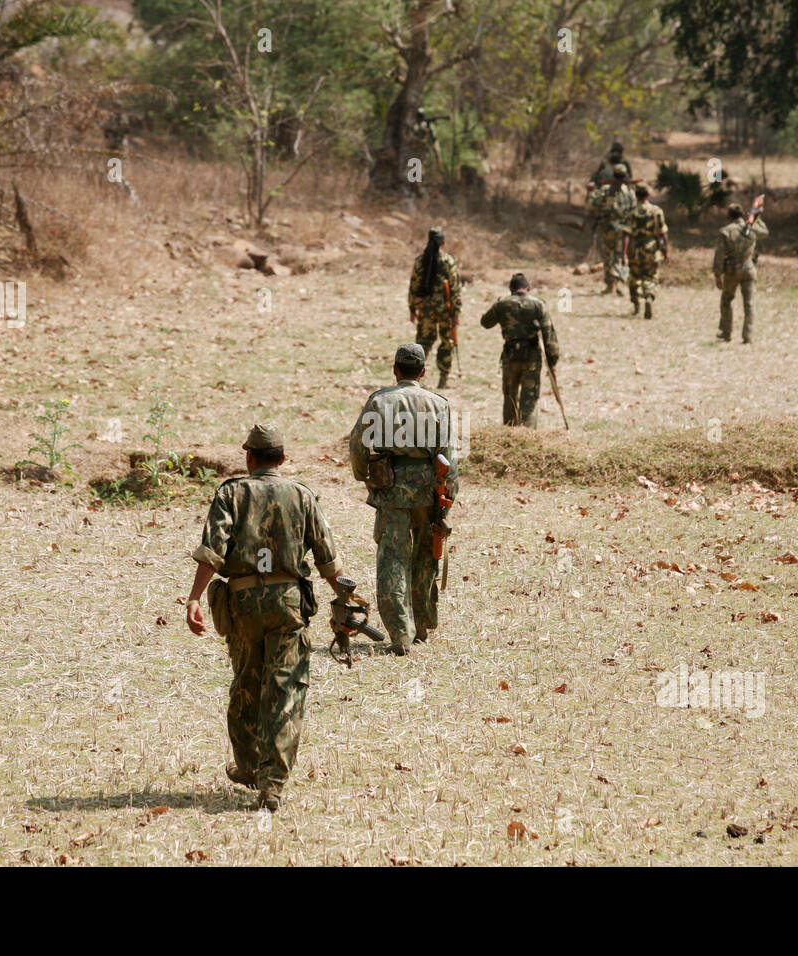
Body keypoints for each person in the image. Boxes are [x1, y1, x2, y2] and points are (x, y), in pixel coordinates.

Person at [184, 423, 352, 812]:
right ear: (283, 459)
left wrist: (193, 598)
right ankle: (272, 784)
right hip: (288, 603)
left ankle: (248, 765)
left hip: (243, 604)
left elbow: (212, 551)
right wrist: (348, 597)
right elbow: (328, 559)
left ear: (248, 458)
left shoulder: (231, 493)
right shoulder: (302, 495)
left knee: (246, 684)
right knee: (286, 690)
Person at [348, 344, 460, 655]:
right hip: (428, 493)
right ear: (423, 372)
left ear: (395, 370)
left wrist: (365, 477)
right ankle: (422, 626)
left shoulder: (379, 401)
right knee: (425, 558)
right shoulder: (439, 404)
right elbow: (450, 458)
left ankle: (400, 634)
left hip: (391, 492)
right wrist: (448, 498)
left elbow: (358, 447)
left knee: (392, 561)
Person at [479, 273, 561, 428]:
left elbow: (485, 322)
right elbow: (549, 335)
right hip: (531, 358)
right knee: (529, 399)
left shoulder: (502, 304)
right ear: (528, 288)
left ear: (511, 289)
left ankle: (509, 434)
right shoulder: (538, 304)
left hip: (510, 357)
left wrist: (501, 309)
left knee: (510, 397)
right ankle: (527, 435)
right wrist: (552, 361)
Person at [407, 226, 462, 389]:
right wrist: (456, 312)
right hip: (445, 309)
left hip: (425, 309)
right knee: (447, 342)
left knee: (423, 343)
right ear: (443, 243)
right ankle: (443, 379)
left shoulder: (419, 261)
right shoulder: (448, 261)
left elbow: (413, 286)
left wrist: (412, 309)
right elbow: (455, 289)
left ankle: (413, 378)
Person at [713, 202, 769, 344]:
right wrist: (756, 218)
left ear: (729, 216)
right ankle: (747, 335)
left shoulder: (725, 231)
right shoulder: (751, 228)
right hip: (749, 268)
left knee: (726, 301)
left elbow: (719, 255)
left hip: (732, 270)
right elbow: (765, 232)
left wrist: (717, 274)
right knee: (749, 303)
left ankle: (726, 333)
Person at [586, 166, 634, 294]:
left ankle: (611, 286)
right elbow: (634, 210)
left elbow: (592, 204)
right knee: (621, 256)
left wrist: (590, 191)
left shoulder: (606, 190)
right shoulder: (629, 192)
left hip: (608, 229)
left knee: (608, 257)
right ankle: (619, 284)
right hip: (624, 231)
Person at [626, 182, 669, 320]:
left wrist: (623, 253)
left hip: (634, 247)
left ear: (636, 194)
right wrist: (665, 251)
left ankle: (636, 303)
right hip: (651, 248)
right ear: (648, 194)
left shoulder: (631, 211)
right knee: (650, 276)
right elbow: (663, 233)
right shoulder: (656, 211)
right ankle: (649, 297)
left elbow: (626, 234)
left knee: (634, 276)